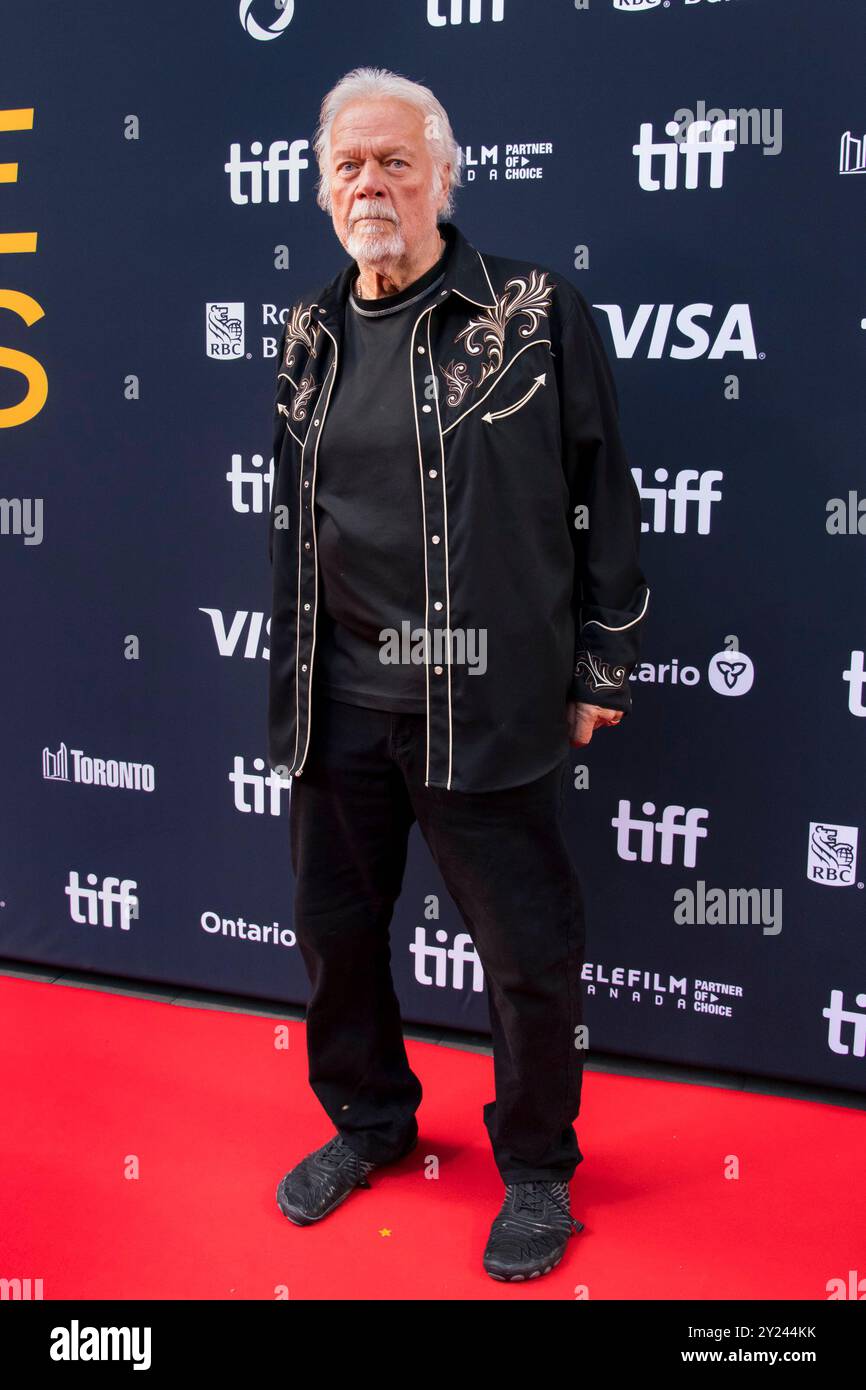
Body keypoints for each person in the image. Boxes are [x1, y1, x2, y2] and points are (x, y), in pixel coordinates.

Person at [268, 66, 650, 1283]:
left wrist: (602, 659)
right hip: (335, 702)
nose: (369, 183)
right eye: (347, 165)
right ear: (321, 187)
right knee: (335, 936)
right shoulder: (309, 332)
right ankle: (368, 1122)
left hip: (480, 698)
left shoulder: (533, 313)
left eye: (392, 159)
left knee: (526, 953)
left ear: (443, 171)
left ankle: (535, 1168)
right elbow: (299, 519)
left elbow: (603, 496)